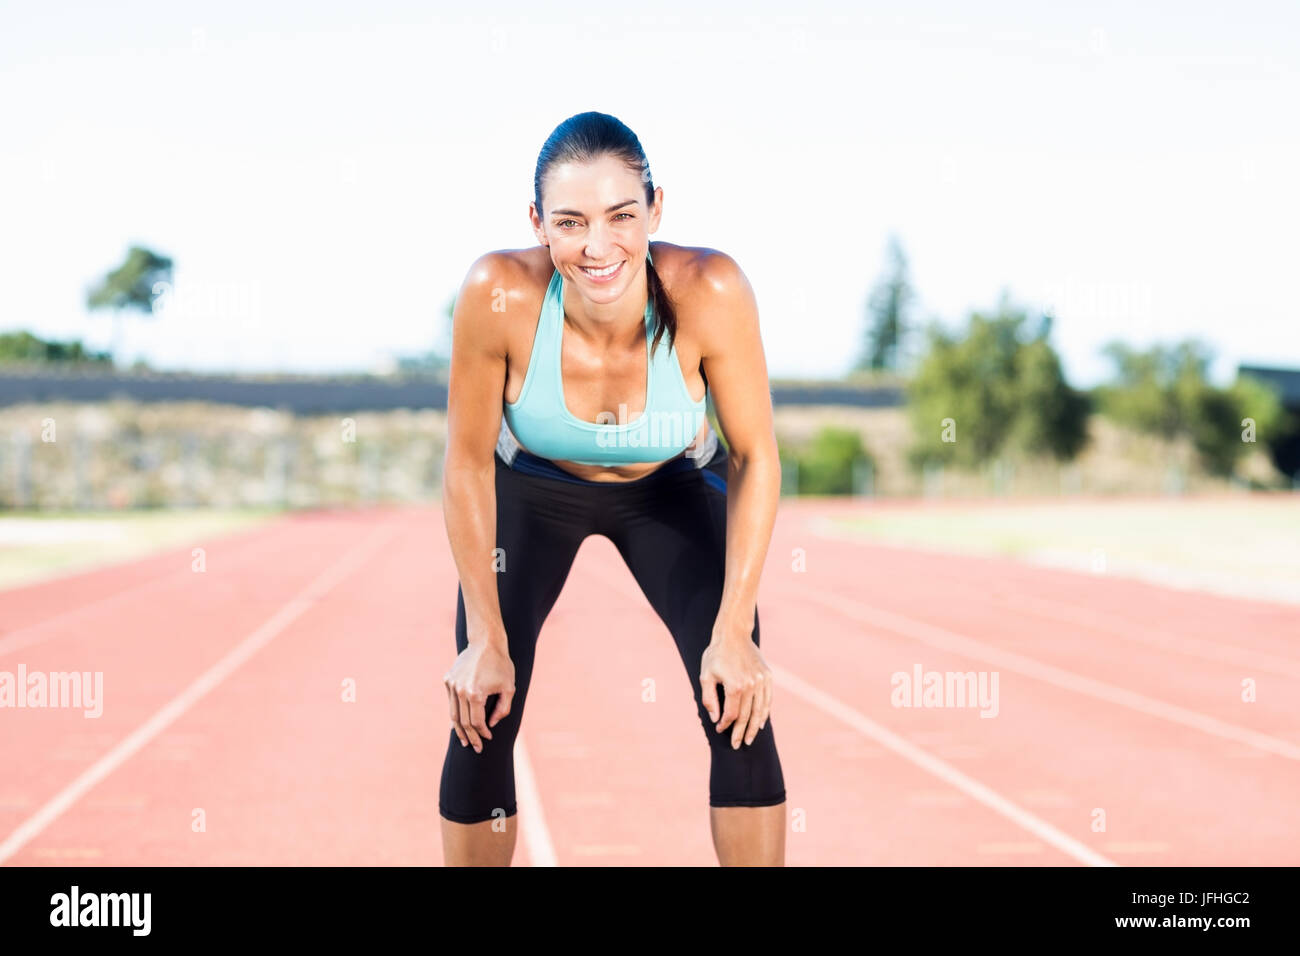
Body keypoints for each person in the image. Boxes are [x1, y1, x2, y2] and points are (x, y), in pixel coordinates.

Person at [439, 111, 786, 866]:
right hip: (533, 487)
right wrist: (486, 638)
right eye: (570, 223)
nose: (598, 248)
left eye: (621, 217)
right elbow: (466, 461)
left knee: (738, 703)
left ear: (656, 209)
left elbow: (755, 456)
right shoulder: (496, 293)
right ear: (537, 224)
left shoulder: (712, 289)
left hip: (670, 488)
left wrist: (734, 631)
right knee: (483, 705)